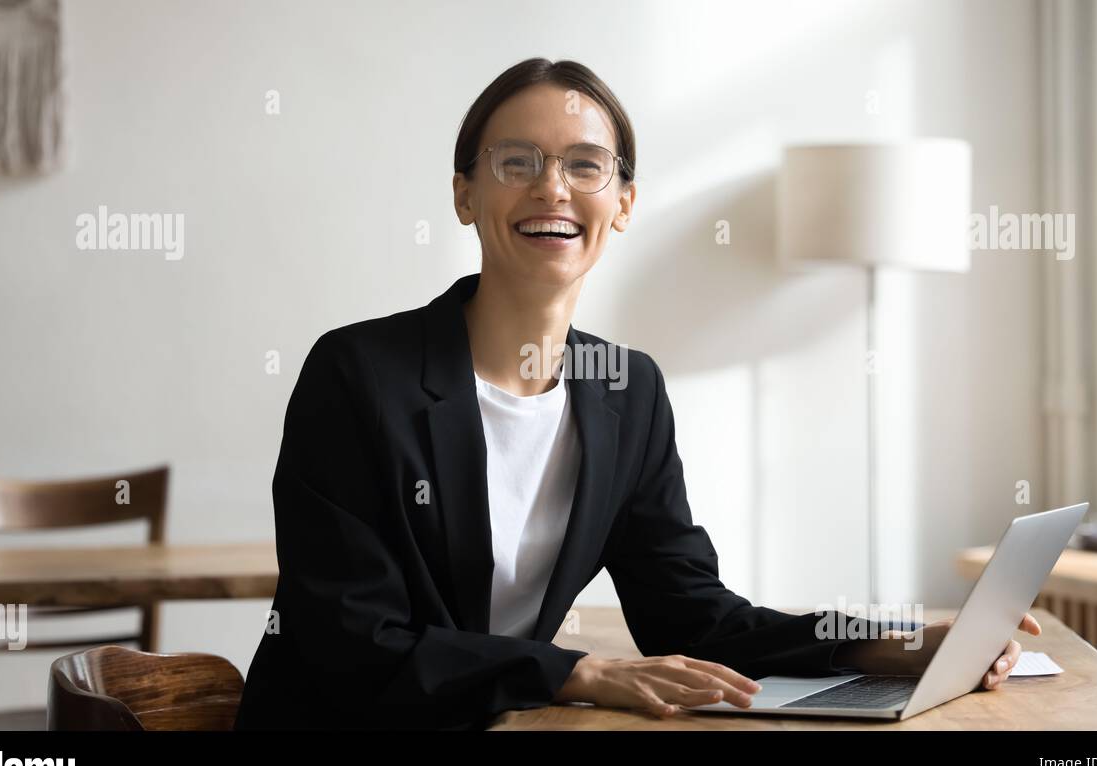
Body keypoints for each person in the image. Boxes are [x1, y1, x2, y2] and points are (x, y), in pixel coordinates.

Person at [234, 57, 1034, 731]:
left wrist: (896, 642)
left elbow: (696, 619)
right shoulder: (357, 374)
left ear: (622, 203)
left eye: (585, 165)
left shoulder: (627, 391)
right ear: (465, 195)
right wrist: (575, 671)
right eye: (518, 162)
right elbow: (351, 637)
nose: (553, 187)